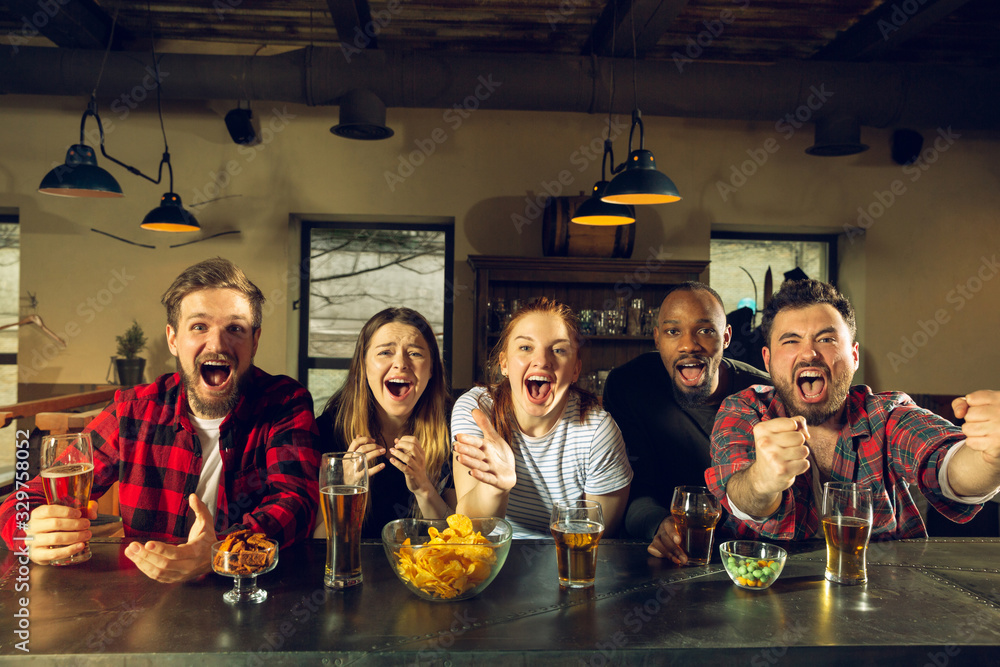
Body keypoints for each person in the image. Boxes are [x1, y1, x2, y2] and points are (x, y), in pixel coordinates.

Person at [0, 257, 321, 582]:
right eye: (199, 326)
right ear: (173, 339)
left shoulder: (285, 402)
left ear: (255, 341)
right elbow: (23, 499)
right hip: (146, 601)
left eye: (235, 329)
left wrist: (219, 550)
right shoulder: (132, 410)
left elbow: (298, 503)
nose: (218, 344)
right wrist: (31, 533)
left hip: (250, 592)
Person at [706, 279, 1000, 541]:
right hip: (766, 593)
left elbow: (949, 468)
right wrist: (762, 479)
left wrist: (990, 458)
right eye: (791, 340)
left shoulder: (887, 416)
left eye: (827, 339)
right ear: (767, 360)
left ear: (854, 356)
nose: (809, 353)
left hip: (882, 594)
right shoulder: (744, 409)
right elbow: (740, 496)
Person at [603, 283, 770, 562]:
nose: (688, 344)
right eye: (673, 331)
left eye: (705, 331)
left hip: (744, 554)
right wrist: (658, 524)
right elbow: (631, 485)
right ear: (657, 339)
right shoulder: (629, 385)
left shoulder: (761, 394)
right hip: (655, 553)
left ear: (726, 337)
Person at [452, 297, 632, 539]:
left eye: (558, 350)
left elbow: (598, 541)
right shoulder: (477, 410)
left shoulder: (598, 431)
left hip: (567, 561)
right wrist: (495, 486)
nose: (542, 361)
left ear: (575, 370)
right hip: (493, 558)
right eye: (526, 347)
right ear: (504, 363)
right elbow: (469, 529)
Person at [315, 307, 454, 538]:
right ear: (363, 366)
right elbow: (317, 545)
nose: (400, 363)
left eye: (416, 353)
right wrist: (344, 490)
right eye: (385, 353)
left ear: (431, 370)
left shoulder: (450, 429)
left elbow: (459, 541)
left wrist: (424, 488)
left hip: (424, 570)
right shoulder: (329, 430)